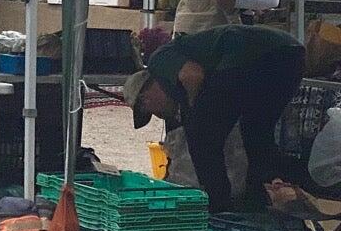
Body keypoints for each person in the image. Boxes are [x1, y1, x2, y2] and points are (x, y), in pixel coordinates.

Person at [124, 23, 304, 211]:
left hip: (248, 54)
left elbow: (193, 75)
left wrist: (193, 108)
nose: (158, 115)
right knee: (255, 133)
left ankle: (217, 206)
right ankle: (266, 194)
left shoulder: (158, 61)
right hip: (291, 54)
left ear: (144, 96)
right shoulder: (176, 69)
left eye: (149, 110)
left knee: (200, 134)